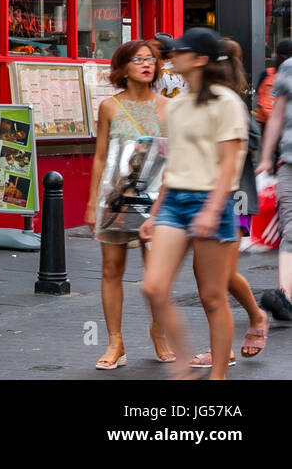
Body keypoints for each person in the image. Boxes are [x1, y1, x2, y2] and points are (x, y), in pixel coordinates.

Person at [140, 28, 248, 380]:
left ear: (200, 59)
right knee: (153, 287)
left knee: (213, 297)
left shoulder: (226, 102)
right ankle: (184, 362)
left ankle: (218, 375)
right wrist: (154, 213)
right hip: (175, 201)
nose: (171, 57)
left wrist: (211, 210)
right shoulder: (177, 105)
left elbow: (229, 163)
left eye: (179, 51)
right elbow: (174, 164)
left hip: (210, 200)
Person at [84, 40, 175, 369]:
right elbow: (99, 158)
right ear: (122, 69)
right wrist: (93, 201)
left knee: (157, 274)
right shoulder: (109, 107)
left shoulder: (168, 106)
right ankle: (115, 342)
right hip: (117, 197)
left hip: (157, 199)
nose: (147, 65)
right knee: (111, 270)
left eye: (151, 60)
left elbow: (175, 157)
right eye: (138, 60)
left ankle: (159, 332)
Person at [188, 38, 266, 366]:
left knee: (218, 276)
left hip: (235, 197)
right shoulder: (204, 100)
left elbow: (251, 144)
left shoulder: (230, 101)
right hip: (210, 196)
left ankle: (252, 322)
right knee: (210, 276)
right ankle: (233, 339)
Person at [257, 37, 292, 323]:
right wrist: (267, 157)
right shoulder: (289, 69)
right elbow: (277, 117)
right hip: (289, 163)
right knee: (289, 227)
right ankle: (285, 297)